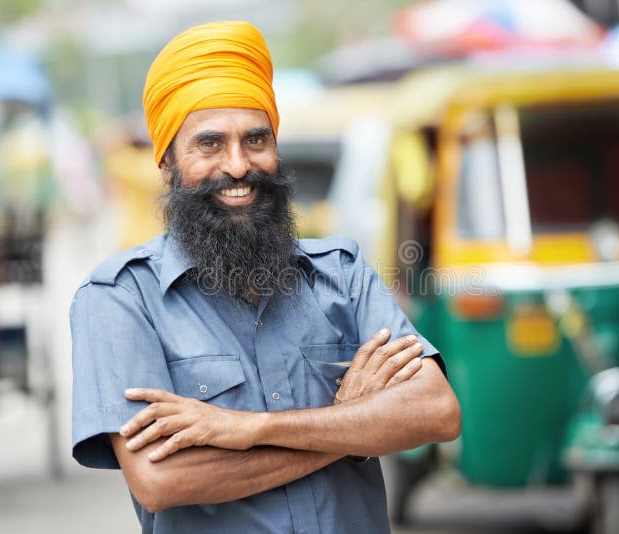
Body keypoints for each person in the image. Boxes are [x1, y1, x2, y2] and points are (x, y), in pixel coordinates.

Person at [70, 20, 460, 534]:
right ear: (166, 165)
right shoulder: (121, 299)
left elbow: (436, 412)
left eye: (256, 139)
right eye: (210, 144)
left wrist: (249, 429)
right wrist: (350, 428)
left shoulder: (342, 274)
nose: (238, 166)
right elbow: (160, 479)